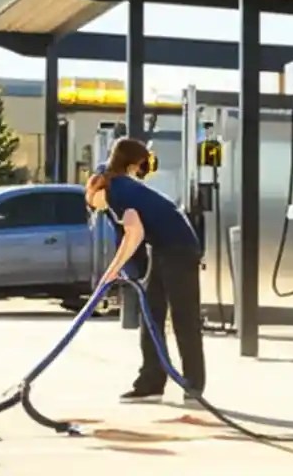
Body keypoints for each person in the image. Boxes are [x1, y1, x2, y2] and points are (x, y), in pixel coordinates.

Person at [85, 137, 206, 404]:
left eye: (92, 201)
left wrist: (112, 270)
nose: (94, 207)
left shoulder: (117, 192)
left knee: (184, 318)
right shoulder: (117, 184)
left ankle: (194, 386)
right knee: (151, 315)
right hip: (162, 248)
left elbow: (134, 233)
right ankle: (150, 382)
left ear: (97, 190)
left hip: (180, 249)